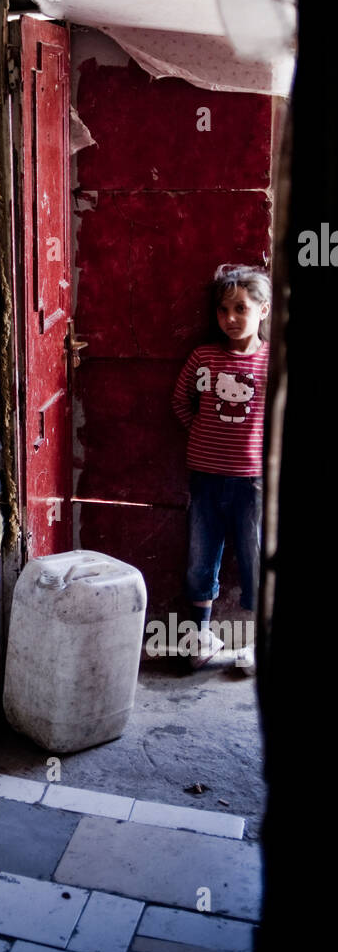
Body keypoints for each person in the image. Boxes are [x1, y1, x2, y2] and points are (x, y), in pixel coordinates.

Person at [171, 264, 271, 673]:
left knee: (255, 555)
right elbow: (181, 403)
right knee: (201, 556)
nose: (230, 319)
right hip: (206, 478)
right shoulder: (204, 358)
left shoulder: (271, 362)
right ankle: (200, 638)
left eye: (241, 309)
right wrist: (204, 436)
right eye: (223, 310)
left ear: (262, 311)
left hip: (254, 483)